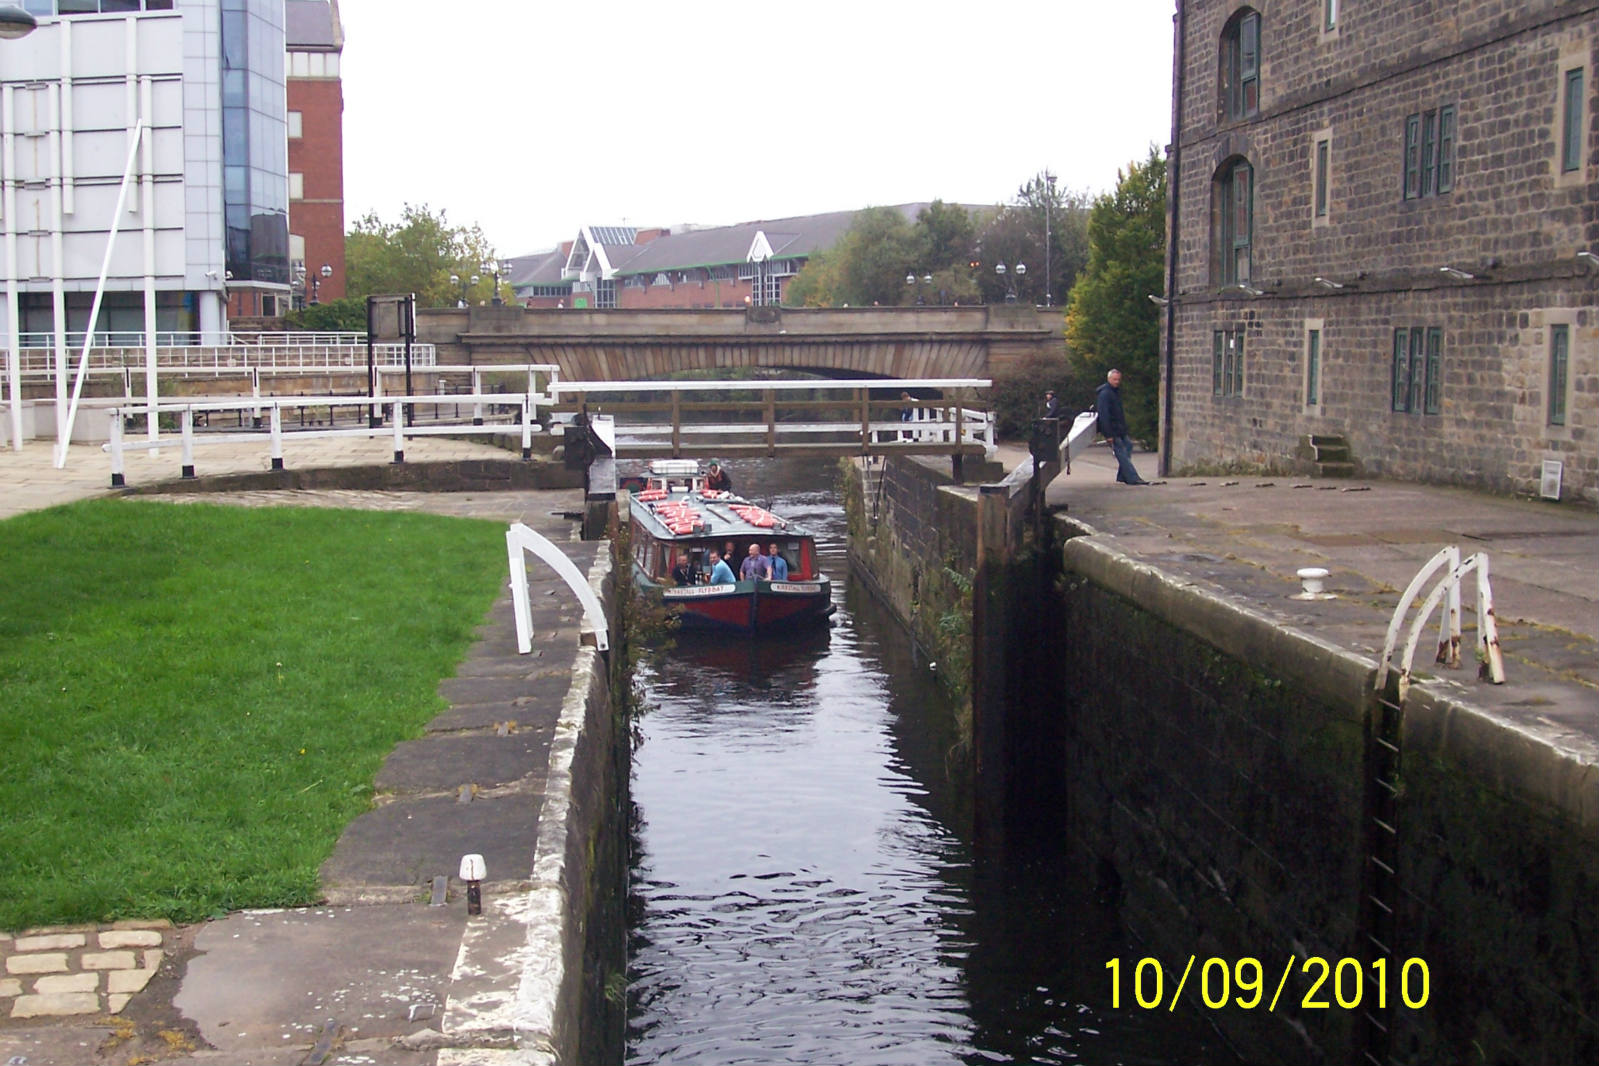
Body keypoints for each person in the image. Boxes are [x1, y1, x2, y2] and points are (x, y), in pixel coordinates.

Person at [1095, 368, 1150, 485]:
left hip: (1119, 428)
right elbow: (1104, 415)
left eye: (1118, 379)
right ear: (1109, 379)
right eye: (1114, 379)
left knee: (1128, 446)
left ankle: (1122, 475)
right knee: (1121, 452)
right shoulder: (1105, 394)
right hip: (1113, 430)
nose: (1117, 382)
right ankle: (1133, 477)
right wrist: (1108, 434)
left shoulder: (1114, 392)